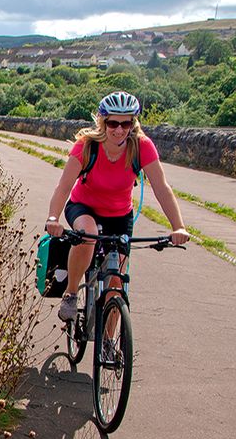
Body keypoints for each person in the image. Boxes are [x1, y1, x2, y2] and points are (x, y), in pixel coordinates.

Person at [45, 91, 190, 321]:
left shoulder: (142, 147)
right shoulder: (86, 147)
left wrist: (178, 227)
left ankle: (110, 345)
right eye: (113, 123)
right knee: (88, 234)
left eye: (126, 123)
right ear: (103, 122)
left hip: (120, 215)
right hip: (83, 206)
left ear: (134, 123)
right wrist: (53, 218)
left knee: (116, 285)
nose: (119, 130)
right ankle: (71, 293)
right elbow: (63, 187)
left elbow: (162, 188)